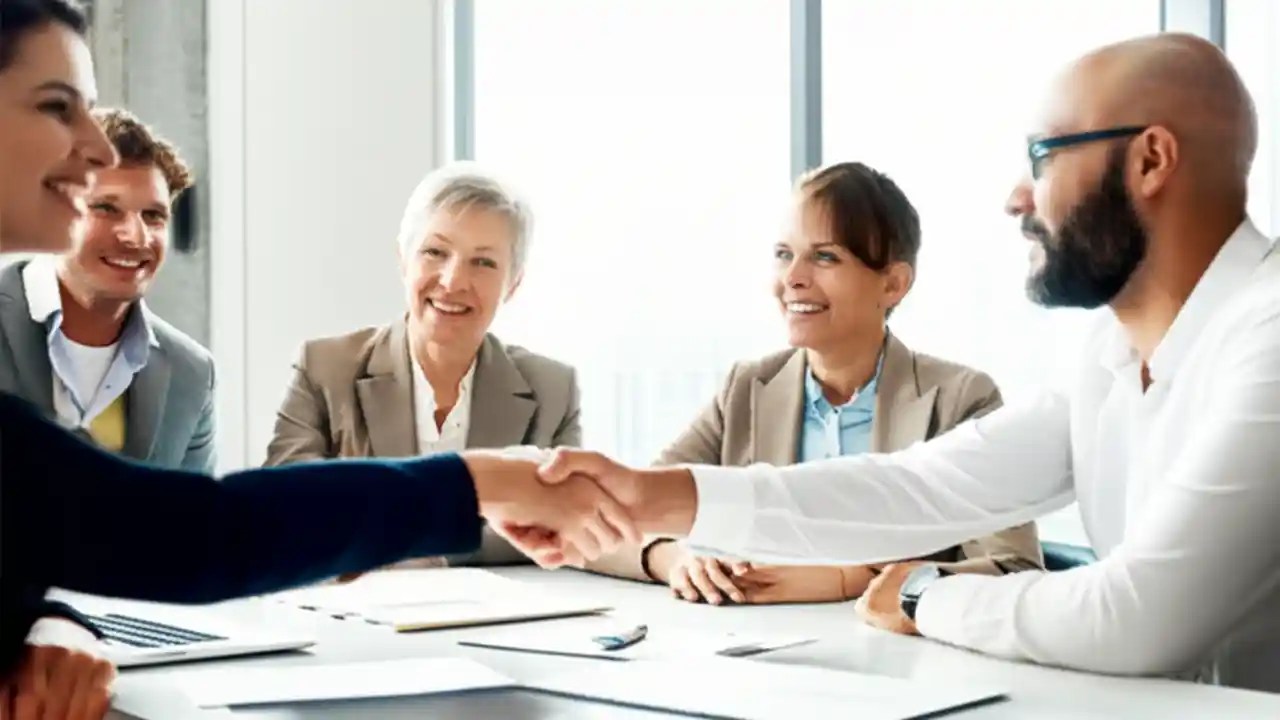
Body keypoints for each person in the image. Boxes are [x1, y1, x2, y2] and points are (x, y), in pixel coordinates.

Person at [540, 33, 1280, 691]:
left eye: (1043, 157)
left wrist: (925, 594)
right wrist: (647, 494)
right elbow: (921, 486)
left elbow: (1135, 619)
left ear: (1151, 159)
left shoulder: (1268, 333)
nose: (1016, 196)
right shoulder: (1112, 357)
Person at [0, 3, 633, 713]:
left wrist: (51, 624)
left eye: (485, 262)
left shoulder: (187, 370)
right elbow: (188, 533)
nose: (92, 144)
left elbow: (93, 531)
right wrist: (476, 482)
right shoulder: (330, 363)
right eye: (58, 107)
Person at [587, 162, 1040, 605]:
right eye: (784, 254)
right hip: (750, 652)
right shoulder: (748, 387)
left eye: (825, 257)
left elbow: (1012, 566)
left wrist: (848, 579)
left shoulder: (960, 400)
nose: (793, 278)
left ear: (894, 284)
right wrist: (673, 558)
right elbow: (618, 517)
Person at [266, 162, 579, 567]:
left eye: (483, 263)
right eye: (435, 252)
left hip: (494, 622)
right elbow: (285, 512)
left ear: (513, 284)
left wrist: (664, 557)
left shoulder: (552, 388)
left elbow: (575, 524)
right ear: (403, 259)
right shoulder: (324, 368)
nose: (452, 281)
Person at [1, 107, 214, 472]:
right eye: (106, 208)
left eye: (154, 215)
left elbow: (194, 523)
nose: (136, 236)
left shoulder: (191, 373)